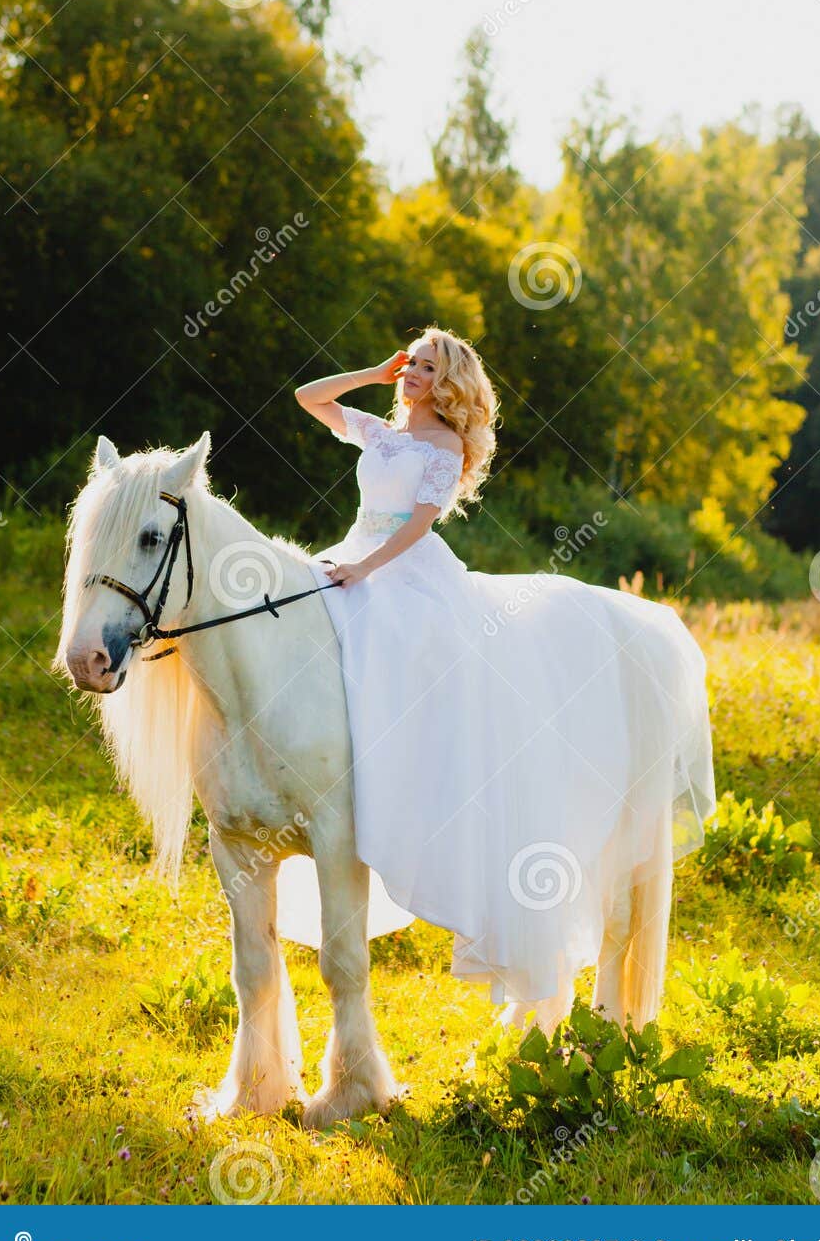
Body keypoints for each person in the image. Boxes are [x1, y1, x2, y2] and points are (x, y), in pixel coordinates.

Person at [290, 327, 714, 1012]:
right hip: (351, 555)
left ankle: (411, 769)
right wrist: (372, 371)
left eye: (429, 368)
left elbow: (417, 525)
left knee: (402, 644)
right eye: (412, 363)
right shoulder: (380, 433)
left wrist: (365, 569)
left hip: (401, 567)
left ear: (449, 384)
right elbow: (308, 397)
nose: (415, 373)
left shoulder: (442, 445)